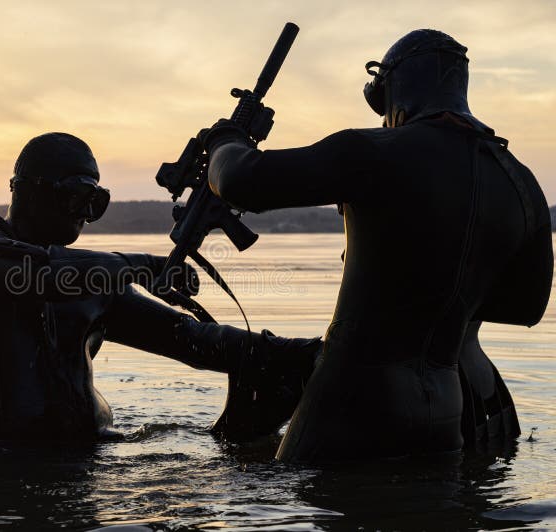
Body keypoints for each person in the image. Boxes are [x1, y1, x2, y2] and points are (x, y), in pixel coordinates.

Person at [202, 29, 552, 462]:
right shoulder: (520, 182)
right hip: (447, 414)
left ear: (395, 89)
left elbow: (240, 180)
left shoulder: (370, 151)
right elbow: (526, 309)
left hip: (348, 409)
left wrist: (223, 140)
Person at [0, 132, 321, 443]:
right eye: (78, 197)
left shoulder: (96, 283)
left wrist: (298, 353)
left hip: (99, 457)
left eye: (97, 202)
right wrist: (141, 265)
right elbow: (38, 274)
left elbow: (191, 338)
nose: (84, 215)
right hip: (12, 468)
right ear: (28, 190)